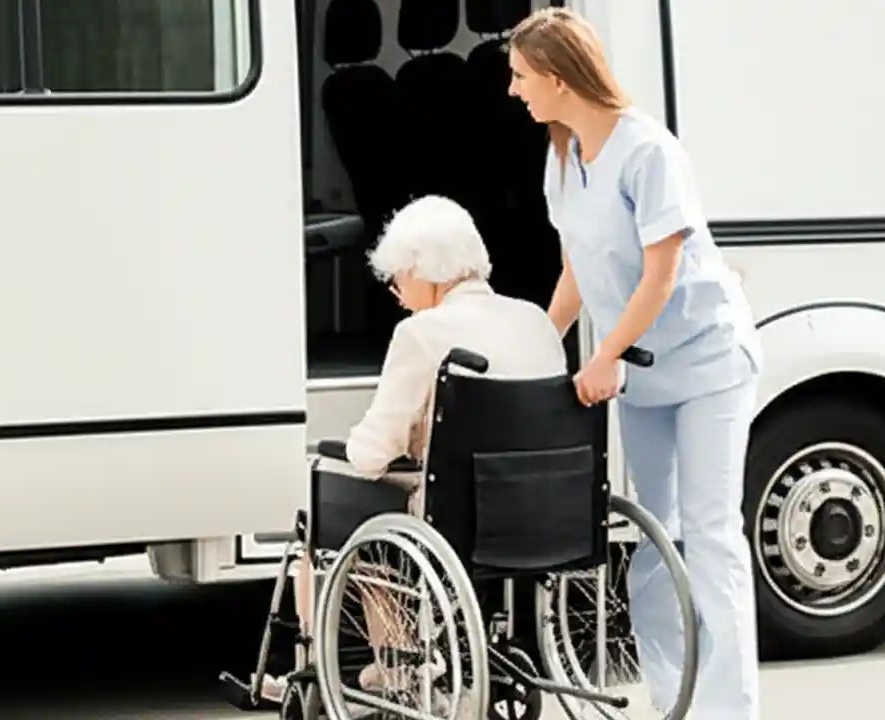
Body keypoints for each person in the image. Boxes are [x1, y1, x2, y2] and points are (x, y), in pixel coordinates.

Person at [507, 8, 764, 719]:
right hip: (647, 374)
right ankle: (671, 696)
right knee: (655, 540)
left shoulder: (648, 152)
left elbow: (660, 275)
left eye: (520, 76)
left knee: (711, 537)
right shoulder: (563, 156)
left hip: (709, 362)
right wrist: (529, 346)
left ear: (558, 79)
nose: (512, 90)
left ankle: (728, 710)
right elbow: (577, 271)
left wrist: (604, 354)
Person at [259, 194, 568, 705]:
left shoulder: (422, 333)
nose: (397, 291)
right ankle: (403, 660)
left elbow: (372, 453)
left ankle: (374, 664)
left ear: (427, 270)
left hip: (455, 518)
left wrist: (343, 450)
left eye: (399, 276)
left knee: (329, 508)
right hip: (545, 512)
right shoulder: (535, 320)